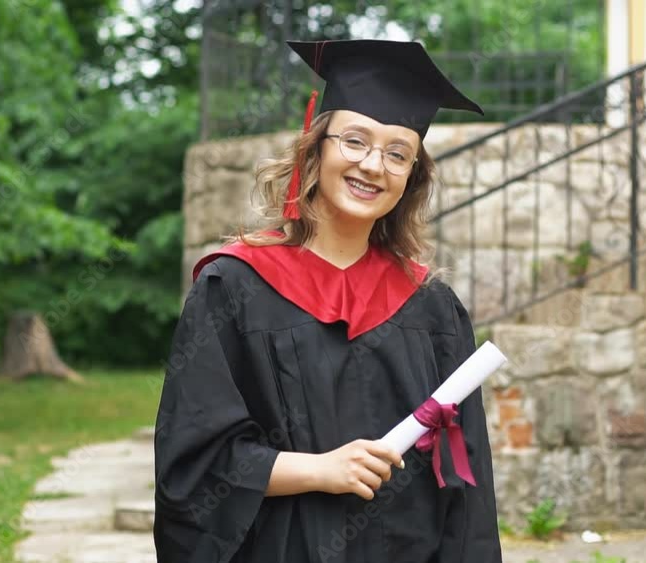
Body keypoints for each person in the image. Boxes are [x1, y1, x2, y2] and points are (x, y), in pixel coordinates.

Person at [154, 39, 502, 563]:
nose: (373, 165)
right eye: (355, 141)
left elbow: (468, 494)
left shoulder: (433, 310)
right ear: (315, 148)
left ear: (411, 177)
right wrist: (319, 469)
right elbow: (193, 463)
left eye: (397, 153)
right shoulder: (234, 289)